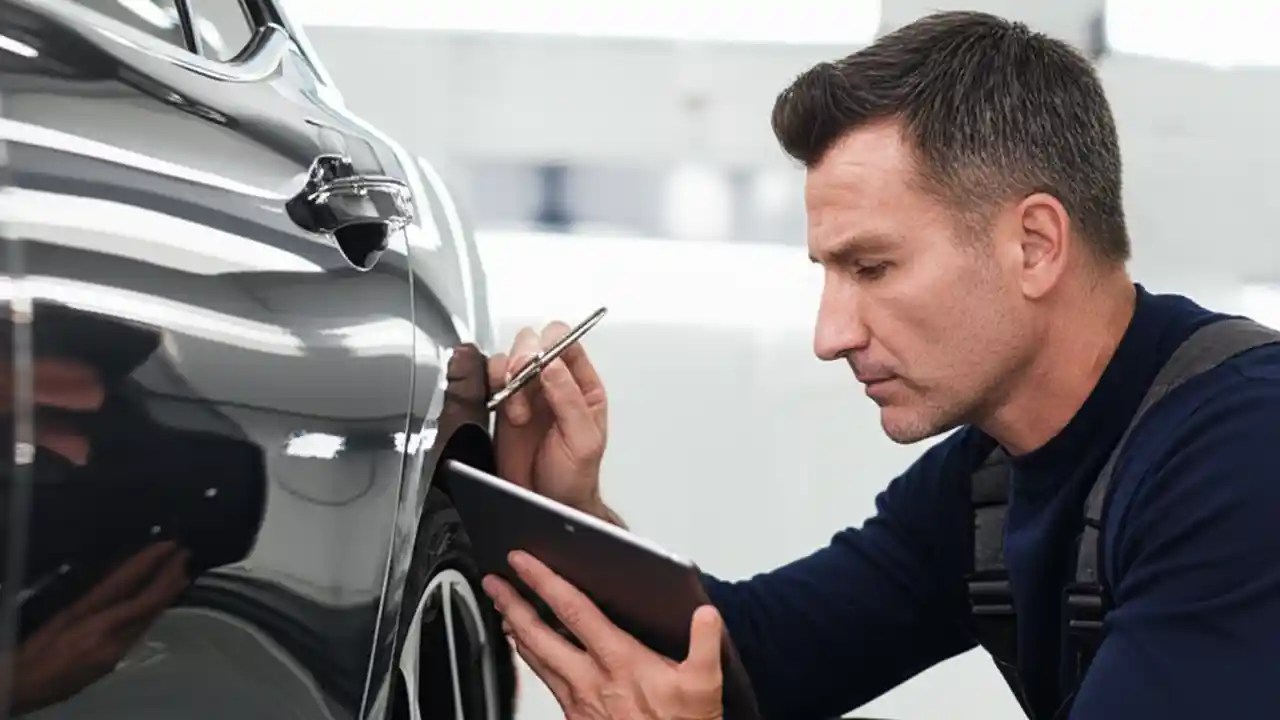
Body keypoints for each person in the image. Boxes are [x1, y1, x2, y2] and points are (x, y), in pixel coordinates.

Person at [480, 10, 1280, 720]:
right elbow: (749, 663)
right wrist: (565, 509)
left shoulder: (1245, 457)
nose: (830, 335)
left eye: (872, 269)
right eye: (827, 274)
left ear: (1034, 245)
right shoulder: (987, 483)